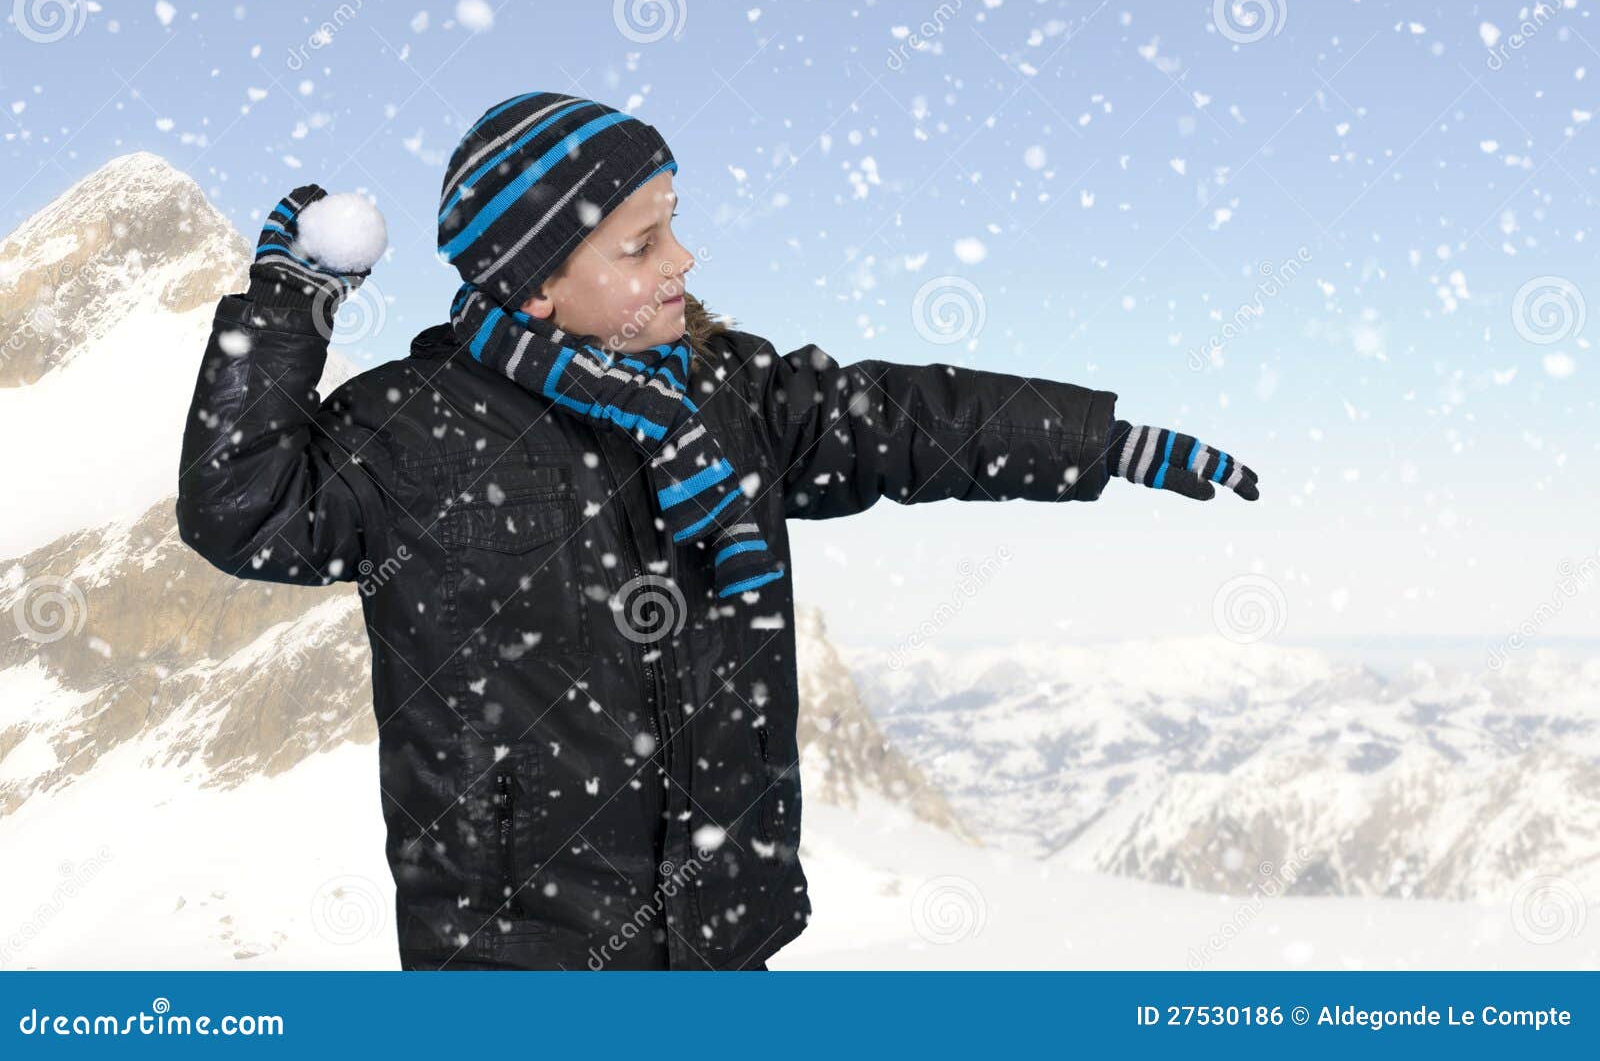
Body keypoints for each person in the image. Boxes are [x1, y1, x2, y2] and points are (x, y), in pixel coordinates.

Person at [176, 91, 1258, 971]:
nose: (683, 260)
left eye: (674, 225)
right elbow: (245, 508)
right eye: (643, 243)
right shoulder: (417, 430)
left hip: (723, 927)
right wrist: (290, 303)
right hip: (518, 951)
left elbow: (906, 419)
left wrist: (1103, 443)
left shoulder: (724, 394)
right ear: (539, 285)